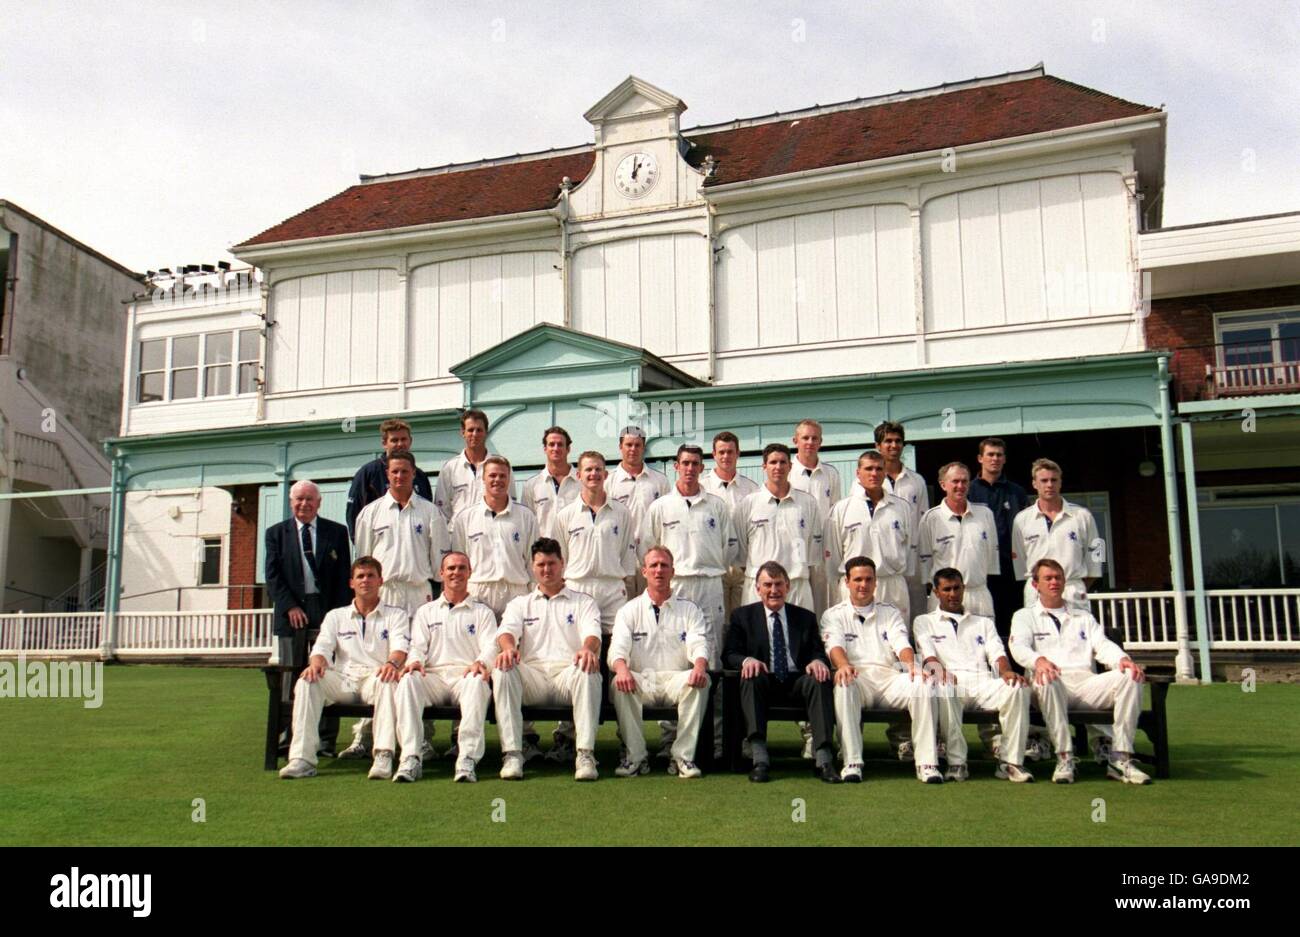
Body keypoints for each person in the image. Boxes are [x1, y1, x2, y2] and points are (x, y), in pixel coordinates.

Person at [1010, 559, 1151, 785]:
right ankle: (1064, 758)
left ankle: (1121, 758)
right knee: (1047, 679)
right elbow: (1019, 647)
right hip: (1049, 685)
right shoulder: (1024, 616)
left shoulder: (1083, 616)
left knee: (1129, 678)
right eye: (1048, 578)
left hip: (1085, 685)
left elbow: (1102, 644)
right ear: (1035, 585)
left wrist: (1122, 659)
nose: (1054, 582)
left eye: (1058, 577)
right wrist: (1039, 661)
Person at [640, 443, 736, 760]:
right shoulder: (660, 507)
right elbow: (652, 549)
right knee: (673, 661)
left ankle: (717, 739)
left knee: (712, 659)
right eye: (685, 463)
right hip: (674, 585)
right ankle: (670, 739)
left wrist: (706, 568)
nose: (690, 468)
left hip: (709, 584)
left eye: (696, 463)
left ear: (701, 466)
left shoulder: (717, 506)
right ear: (675, 467)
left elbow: (728, 548)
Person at [352, 449, 449, 759]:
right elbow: (364, 560)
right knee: (377, 660)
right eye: (394, 472)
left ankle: (423, 737)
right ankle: (365, 735)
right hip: (384, 594)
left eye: (405, 472)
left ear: (413, 473)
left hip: (419, 593)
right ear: (387, 474)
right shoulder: (370, 513)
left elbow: (439, 562)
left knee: (422, 661)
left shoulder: (430, 512)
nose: (399, 476)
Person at [279, 557, 409, 781]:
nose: (365, 581)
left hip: (374, 678)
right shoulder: (335, 616)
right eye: (360, 576)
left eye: (370, 576)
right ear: (351, 583)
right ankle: (302, 759)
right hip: (345, 681)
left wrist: (391, 664)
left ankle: (383, 754)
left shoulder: (395, 614)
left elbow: (400, 649)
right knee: (307, 682)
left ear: (381, 581)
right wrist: (316, 664)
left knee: (388, 680)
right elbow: (322, 648)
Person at [822, 557, 943, 783]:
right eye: (857, 579)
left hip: (889, 678)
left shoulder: (890, 612)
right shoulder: (833, 614)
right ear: (846, 582)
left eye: (868, 579)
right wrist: (844, 666)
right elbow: (834, 646)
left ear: (876, 582)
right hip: (858, 678)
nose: (863, 585)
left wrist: (912, 666)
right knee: (843, 682)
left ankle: (927, 763)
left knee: (923, 683)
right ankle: (852, 762)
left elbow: (902, 644)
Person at [493, 538, 605, 782]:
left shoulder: (582, 601)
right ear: (533, 567)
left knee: (588, 666)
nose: (547, 569)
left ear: (562, 563)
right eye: (541, 564)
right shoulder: (520, 604)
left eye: (552, 563)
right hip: (533, 680)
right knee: (503, 668)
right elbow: (506, 632)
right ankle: (513, 753)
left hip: (567, 677)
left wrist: (587, 649)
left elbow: (593, 635)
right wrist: (509, 648)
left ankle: (585, 754)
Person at [913, 568, 1035, 783]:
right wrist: (942, 673)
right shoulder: (924, 622)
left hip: (983, 682)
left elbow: (997, 654)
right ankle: (957, 762)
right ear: (936, 592)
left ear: (964, 588)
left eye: (957, 588)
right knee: (943, 686)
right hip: (952, 682)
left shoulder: (983, 623)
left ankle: (1010, 763)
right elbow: (928, 657)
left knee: (1018, 688)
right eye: (947, 589)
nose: (953, 594)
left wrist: (1006, 672)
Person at [723, 561, 838, 783]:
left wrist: (817, 661)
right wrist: (747, 660)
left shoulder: (804, 617)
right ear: (758, 588)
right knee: (750, 675)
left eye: (778, 584)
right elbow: (729, 654)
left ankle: (824, 759)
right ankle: (760, 759)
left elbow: (818, 651)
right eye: (767, 585)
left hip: (797, 680)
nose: (773, 590)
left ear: (788, 587)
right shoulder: (742, 616)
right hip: (764, 679)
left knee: (819, 678)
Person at [392, 552, 499, 784]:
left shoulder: (483, 612)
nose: (456, 573)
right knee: (408, 680)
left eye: (462, 568)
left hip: (464, 676)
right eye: (450, 568)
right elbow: (417, 646)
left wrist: (481, 662)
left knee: (477, 682)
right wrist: (414, 662)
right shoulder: (426, 611)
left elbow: (491, 646)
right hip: (434, 677)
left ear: (470, 573)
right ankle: (410, 757)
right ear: (441, 573)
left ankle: (467, 759)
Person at [607, 546, 712, 779]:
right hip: (643, 680)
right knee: (619, 681)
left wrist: (699, 666)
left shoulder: (689, 609)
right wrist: (622, 669)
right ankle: (635, 757)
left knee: (702, 680)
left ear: (673, 571)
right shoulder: (628, 610)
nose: (658, 570)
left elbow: (699, 644)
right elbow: (617, 649)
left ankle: (682, 757)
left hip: (675, 679)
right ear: (644, 571)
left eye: (664, 565)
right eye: (653, 565)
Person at [265, 480, 353, 755]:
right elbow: (273, 576)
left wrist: (338, 616)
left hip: (326, 609)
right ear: (291, 502)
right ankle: (291, 736)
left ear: (319, 503)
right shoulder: (276, 534)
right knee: (292, 676)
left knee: (326, 671)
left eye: (310, 499)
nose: (304, 504)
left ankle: (325, 739)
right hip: (292, 613)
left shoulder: (336, 532)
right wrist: (290, 605)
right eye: (299, 499)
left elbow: (342, 577)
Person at [733, 443, 822, 613]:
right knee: (758, 639)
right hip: (758, 588)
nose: (778, 467)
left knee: (800, 639)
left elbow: (812, 551)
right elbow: (742, 552)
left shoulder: (808, 503)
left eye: (782, 462)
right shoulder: (748, 504)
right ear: (764, 466)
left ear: (790, 466)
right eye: (773, 462)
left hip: (797, 584)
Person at [449, 456, 537, 618]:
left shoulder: (526, 516)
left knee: (515, 643)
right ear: (483, 478)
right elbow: (458, 563)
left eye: (503, 476)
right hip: (478, 592)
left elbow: (533, 563)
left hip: (516, 592)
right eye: (492, 475)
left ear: (509, 479)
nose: (498, 480)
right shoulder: (465, 518)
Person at [1011, 458, 1102, 612]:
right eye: (1044, 480)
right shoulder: (1021, 520)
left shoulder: (1083, 516)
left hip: (1073, 590)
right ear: (1034, 483)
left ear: (1060, 482)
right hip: (1036, 593)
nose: (1049, 485)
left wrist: (1074, 586)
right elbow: (1020, 564)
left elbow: (1097, 558)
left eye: (1054, 480)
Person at [917, 462, 1000, 617]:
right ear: (943, 485)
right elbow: (925, 564)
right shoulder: (931, 518)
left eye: (964, 481)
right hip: (945, 597)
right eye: (955, 481)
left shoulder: (985, 514)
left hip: (978, 594)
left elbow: (991, 560)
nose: (960, 486)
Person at [967, 437, 1030, 638]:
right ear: (980, 458)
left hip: (1011, 571)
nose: (994, 459)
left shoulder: (1017, 493)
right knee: (982, 626)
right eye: (990, 454)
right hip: (981, 572)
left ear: (1004, 459)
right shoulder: (968, 491)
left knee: (1012, 623)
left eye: (999, 455)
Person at [604, 426, 671, 596]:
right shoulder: (608, 481)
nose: (633, 449)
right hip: (618, 558)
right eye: (628, 445)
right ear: (621, 447)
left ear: (643, 447)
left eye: (637, 445)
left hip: (651, 559)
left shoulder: (660, 481)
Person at [873, 421, 930, 625]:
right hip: (882, 558)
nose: (893, 445)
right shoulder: (865, 482)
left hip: (911, 556)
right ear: (878, 446)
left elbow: (923, 523)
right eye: (888, 441)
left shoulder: (916, 481)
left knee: (915, 610)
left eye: (898, 441)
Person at [700, 431, 759, 620]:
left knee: (744, 620)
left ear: (738, 453)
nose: (726, 456)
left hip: (743, 566)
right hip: (715, 566)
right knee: (719, 622)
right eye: (722, 452)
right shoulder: (702, 487)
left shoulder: (751, 489)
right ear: (714, 455)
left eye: (730, 452)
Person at [345, 418, 433, 541]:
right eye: (394, 440)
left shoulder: (420, 476)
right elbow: (354, 514)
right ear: (384, 443)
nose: (400, 444)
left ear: (410, 441)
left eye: (403, 439)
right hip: (380, 545)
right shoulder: (368, 473)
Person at [788, 419, 842, 617]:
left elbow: (835, 512)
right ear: (795, 440)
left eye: (814, 438)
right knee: (796, 595)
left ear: (820, 441)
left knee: (823, 597)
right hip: (796, 544)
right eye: (805, 438)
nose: (809, 442)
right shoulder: (787, 471)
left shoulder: (831, 473)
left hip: (823, 545)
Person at [434, 409, 494, 522]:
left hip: (488, 533)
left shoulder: (500, 468)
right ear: (463, 432)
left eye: (479, 430)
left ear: (486, 432)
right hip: (458, 536)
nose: (475, 434)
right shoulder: (450, 468)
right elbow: (441, 512)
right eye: (470, 430)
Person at [521, 426, 581, 538]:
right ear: (545, 449)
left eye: (560, 444)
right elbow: (526, 524)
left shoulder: (582, 482)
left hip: (575, 550)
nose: (556, 448)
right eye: (551, 444)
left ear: (568, 449)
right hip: (544, 552)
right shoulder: (531, 485)